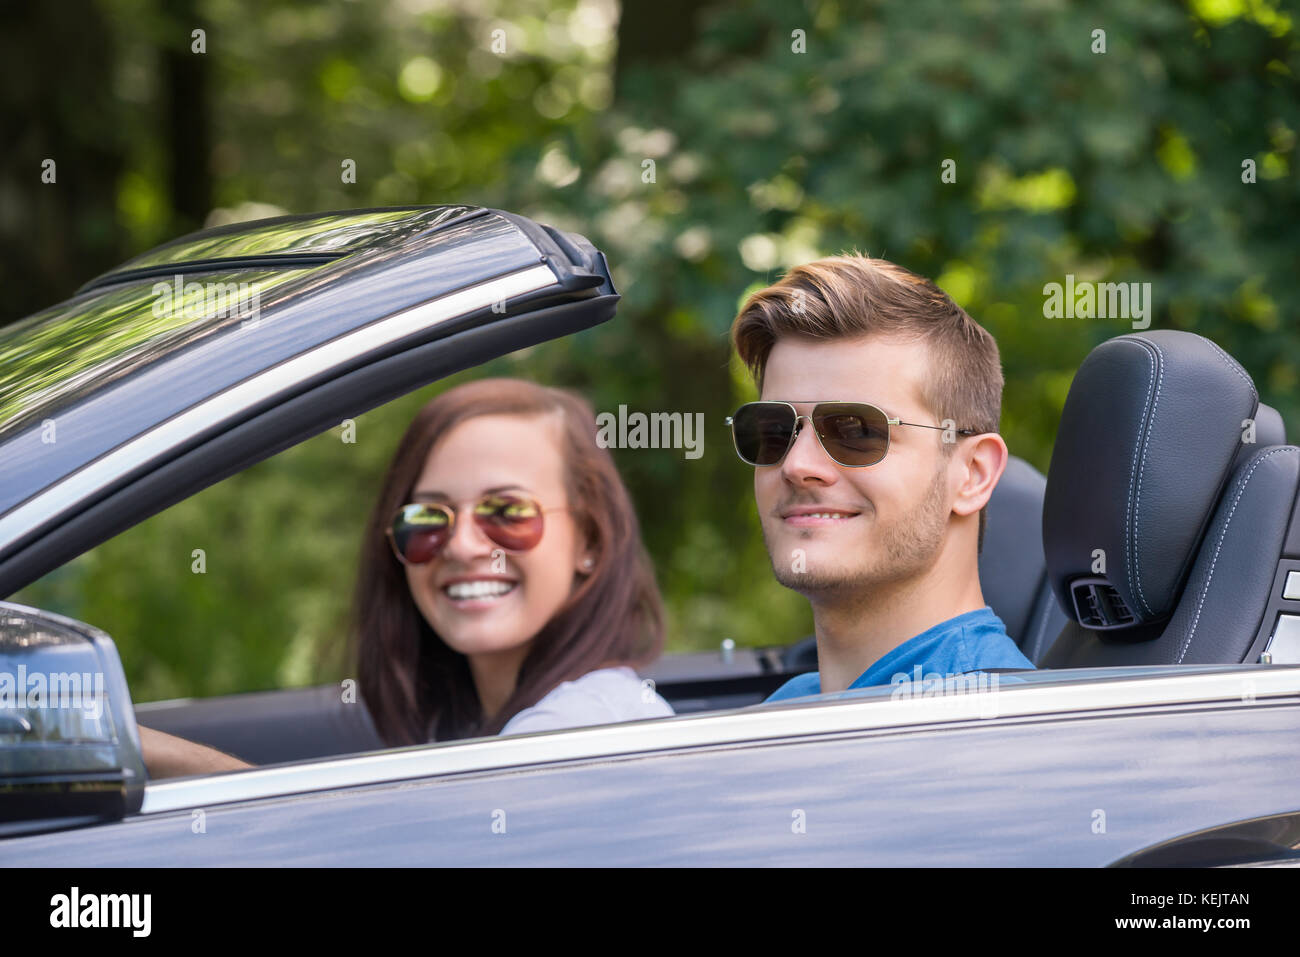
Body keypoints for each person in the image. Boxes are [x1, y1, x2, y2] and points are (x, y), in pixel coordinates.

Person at [139, 378, 673, 777]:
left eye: (507, 512)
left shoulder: (585, 728)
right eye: (427, 518)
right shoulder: (487, 726)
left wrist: (165, 758)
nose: (463, 546)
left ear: (591, 542)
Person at [725, 253, 1035, 702]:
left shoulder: (986, 725)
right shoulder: (797, 704)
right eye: (775, 431)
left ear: (972, 474)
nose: (796, 465)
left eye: (856, 432)